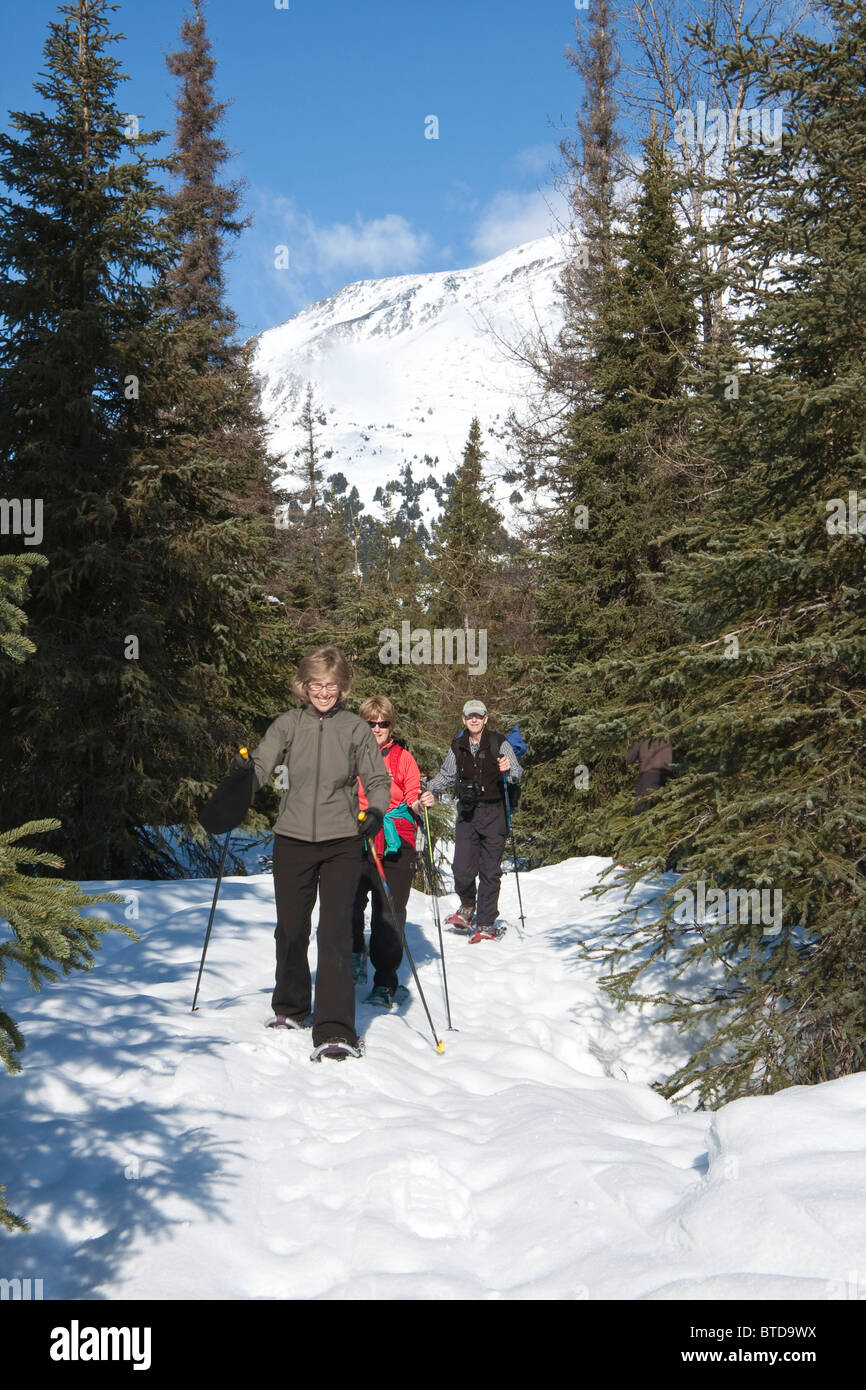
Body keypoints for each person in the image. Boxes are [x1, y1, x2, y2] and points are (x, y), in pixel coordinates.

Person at [242, 646, 391, 1060]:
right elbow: (260, 766)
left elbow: (377, 778)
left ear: (342, 688)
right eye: (316, 684)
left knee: (335, 932)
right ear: (304, 686)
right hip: (292, 839)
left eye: (331, 685)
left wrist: (376, 811)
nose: (323, 692)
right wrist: (242, 783)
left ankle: (336, 1028)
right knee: (290, 928)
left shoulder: (355, 729)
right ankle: (290, 1007)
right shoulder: (288, 724)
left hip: (342, 840)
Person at [417, 699, 522, 939]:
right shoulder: (458, 745)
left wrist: (508, 770)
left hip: (494, 813)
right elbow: (446, 775)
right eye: (469, 716)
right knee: (461, 869)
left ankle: (485, 922)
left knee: (490, 871)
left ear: (485, 719)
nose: (474, 719)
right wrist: (428, 790)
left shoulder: (499, 743)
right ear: (463, 720)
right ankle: (467, 906)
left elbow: (517, 773)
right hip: (467, 812)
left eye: (478, 716)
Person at [353, 697, 422, 1009]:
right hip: (355, 835)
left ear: (391, 726)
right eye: (371, 723)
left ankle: (385, 982)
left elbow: (413, 795)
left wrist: (421, 803)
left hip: (394, 840)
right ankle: (354, 954)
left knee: (389, 912)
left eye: (383, 723)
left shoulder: (403, 758)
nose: (377, 728)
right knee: (346, 902)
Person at [626, 738, 673, 813]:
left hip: (648, 776)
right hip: (667, 777)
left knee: (640, 809)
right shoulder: (667, 736)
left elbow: (629, 759)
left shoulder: (643, 738)